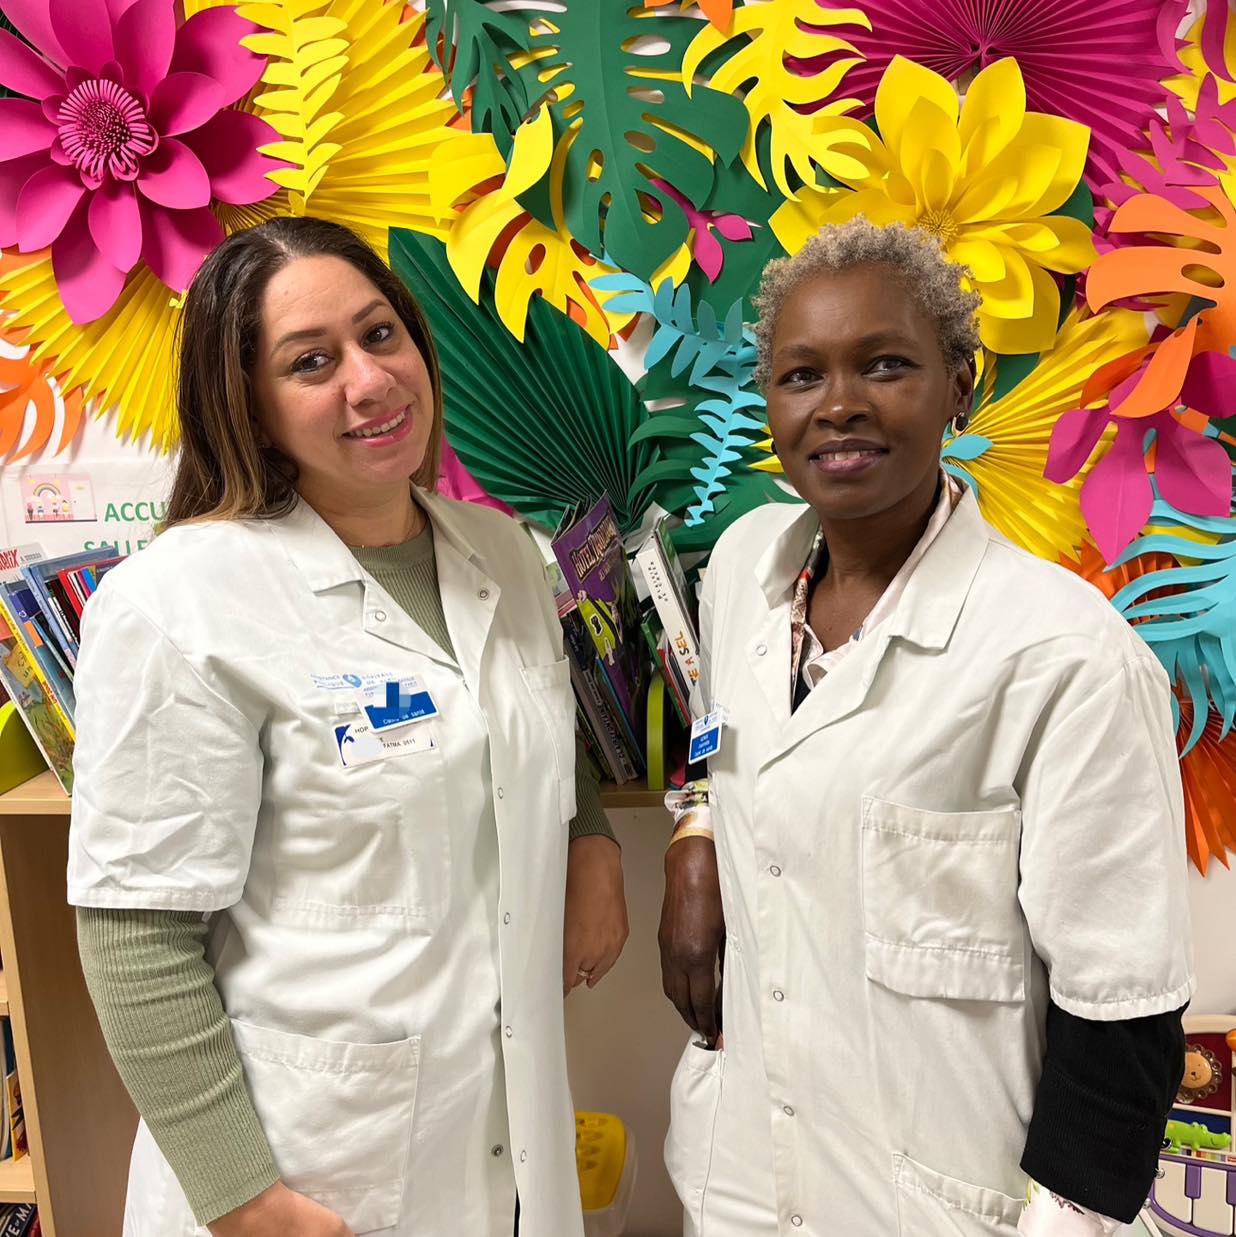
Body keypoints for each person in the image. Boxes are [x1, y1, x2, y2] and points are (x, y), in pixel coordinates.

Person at [67, 216, 628, 1237]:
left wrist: (587, 834)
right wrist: (242, 1198)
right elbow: (136, 932)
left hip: (499, 1139)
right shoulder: (178, 603)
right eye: (310, 362)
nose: (368, 382)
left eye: (380, 336)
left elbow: (515, 708)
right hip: (310, 1166)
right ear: (249, 404)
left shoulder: (500, 550)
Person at [658, 218, 1192, 1237]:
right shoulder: (740, 568)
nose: (840, 405)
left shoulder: (1061, 658)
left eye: (886, 364)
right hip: (740, 1182)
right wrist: (696, 830)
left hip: (940, 1200)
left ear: (962, 384)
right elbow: (717, 722)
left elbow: (1123, 1011)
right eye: (801, 375)